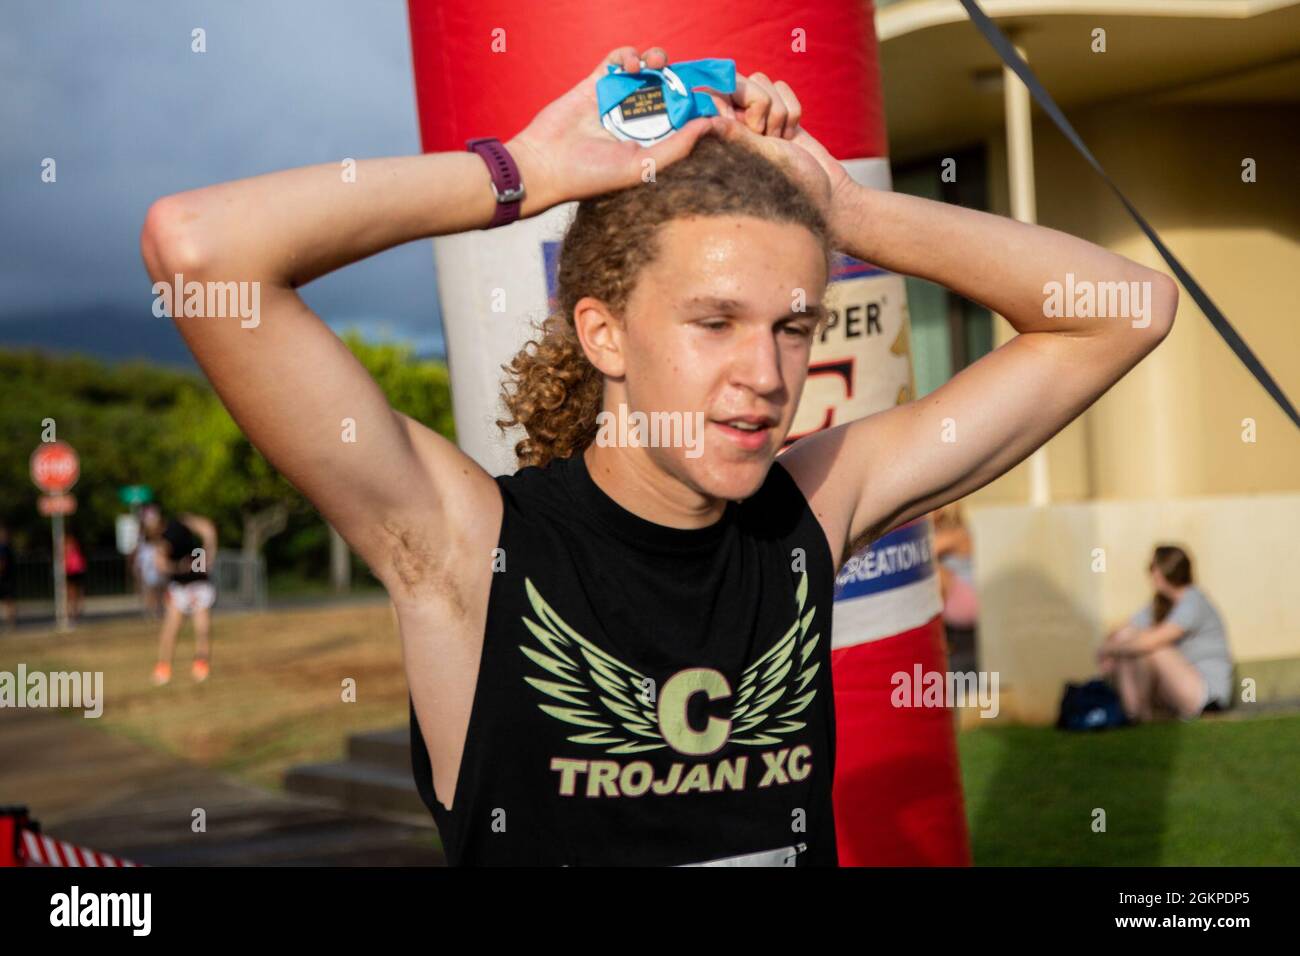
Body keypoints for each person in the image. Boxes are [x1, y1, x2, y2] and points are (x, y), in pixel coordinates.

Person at [140, 45, 1178, 865]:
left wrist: (844, 209)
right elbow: (200, 249)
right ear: (602, 335)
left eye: (791, 323)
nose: (766, 374)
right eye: (713, 320)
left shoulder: (806, 510)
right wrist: (524, 173)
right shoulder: (465, 545)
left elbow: (1124, 310)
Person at [1098, 545, 1233, 722]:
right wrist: (1113, 644)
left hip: (1207, 695)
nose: (1149, 573)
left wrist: (1107, 649)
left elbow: (1149, 642)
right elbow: (1126, 629)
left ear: (1163, 571)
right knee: (1128, 639)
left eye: (1152, 567)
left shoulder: (1193, 601)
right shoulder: (1162, 603)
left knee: (1152, 648)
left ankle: (1138, 713)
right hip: (1179, 686)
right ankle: (1134, 714)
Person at [142, 507, 218, 685]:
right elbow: (161, 565)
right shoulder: (157, 542)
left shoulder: (179, 523)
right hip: (179, 587)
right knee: (170, 629)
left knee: (202, 628)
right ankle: (163, 668)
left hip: (199, 583)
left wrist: (208, 552)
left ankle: (201, 664)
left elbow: (207, 529)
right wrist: (180, 567)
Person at [933, 503, 978, 672]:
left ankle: (937, 638)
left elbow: (925, 553)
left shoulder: (957, 535)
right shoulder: (942, 534)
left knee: (934, 573)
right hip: (956, 602)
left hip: (970, 603)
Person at [131, 505, 167, 619]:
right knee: (149, 587)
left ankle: (158, 609)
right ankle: (151, 609)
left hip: (156, 562)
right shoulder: (142, 535)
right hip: (148, 563)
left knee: (159, 587)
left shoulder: (161, 532)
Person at [63, 532, 87, 625]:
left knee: (73, 592)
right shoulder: (72, 546)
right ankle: (73, 612)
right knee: (72, 592)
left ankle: (74, 612)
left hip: (74, 571)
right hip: (71, 571)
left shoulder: (71, 547)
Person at [0, 525, 17, 632]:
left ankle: (10, 622)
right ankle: (10, 622)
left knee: (8, 600)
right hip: (8, 578)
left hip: (6, 578)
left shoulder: (4, 547)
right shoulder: (7, 547)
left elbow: (3, 563)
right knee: (8, 600)